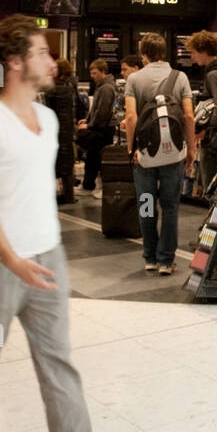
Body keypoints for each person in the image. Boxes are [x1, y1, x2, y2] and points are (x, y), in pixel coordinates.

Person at [0, 14, 134, 432]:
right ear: (14, 62)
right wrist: (12, 258)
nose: (51, 60)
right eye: (40, 52)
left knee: (58, 358)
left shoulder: (51, 118)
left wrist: (45, 250)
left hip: (48, 256)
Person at [123, 33, 196, 274]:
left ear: (143, 53)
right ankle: (166, 260)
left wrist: (132, 148)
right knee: (171, 206)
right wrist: (191, 149)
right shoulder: (180, 77)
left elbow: (131, 117)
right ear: (165, 52)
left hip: (144, 154)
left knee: (146, 204)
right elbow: (188, 115)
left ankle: (150, 257)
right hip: (173, 153)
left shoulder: (134, 79)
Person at [186, 30, 217, 191]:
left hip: (216, 141)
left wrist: (206, 129)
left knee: (214, 189)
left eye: (193, 52)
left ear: (204, 51)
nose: (192, 57)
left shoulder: (214, 75)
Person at [43, 58, 82, 204]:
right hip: (68, 129)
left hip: (55, 128)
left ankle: (55, 195)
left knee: (54, 163)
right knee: (67, 163)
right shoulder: (72, 86)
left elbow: (48, 108)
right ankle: (69, 195)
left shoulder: (53, 88)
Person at [79, 58, 117, 198]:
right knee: (92, 158)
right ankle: (88, 185)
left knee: (101, 159)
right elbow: (96, 108)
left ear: (103, 71)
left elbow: (103, 111)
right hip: (99, 127)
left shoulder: (106, 88)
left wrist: (88, 125)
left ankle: (103, 188)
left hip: (103, 129)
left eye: (95, 73)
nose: (92, 76)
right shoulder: (102, 86)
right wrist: (88, 119)